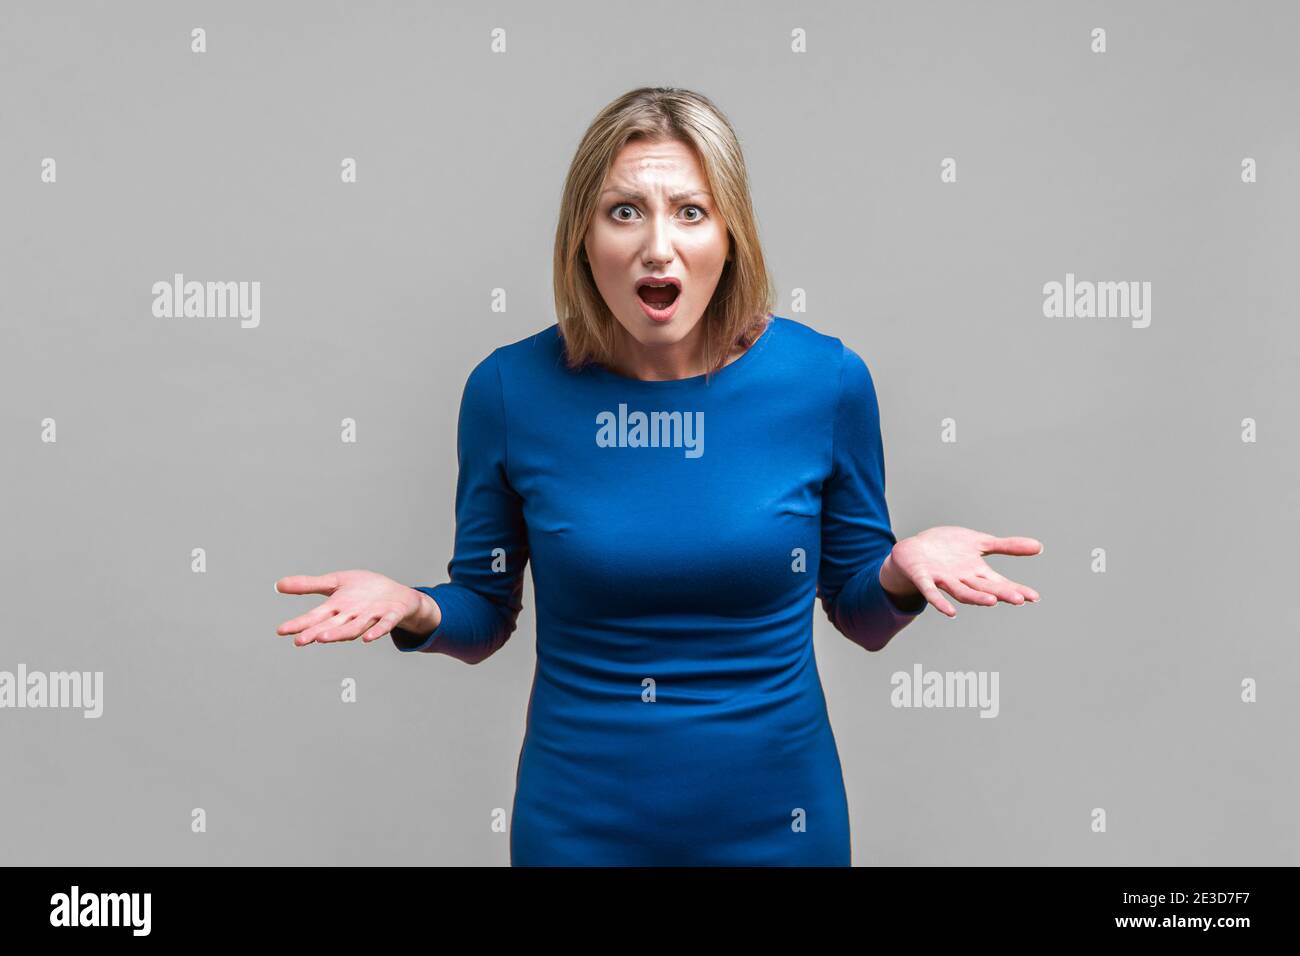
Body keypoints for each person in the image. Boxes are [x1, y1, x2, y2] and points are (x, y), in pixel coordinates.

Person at [274, 87, 1042, 866]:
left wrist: (902, 575)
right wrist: (414, 610)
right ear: (582, 235)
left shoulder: (825, 382)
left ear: (731, 234)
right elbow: (484, 610)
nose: (657, 247)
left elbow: (860, 613)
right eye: (624, 211)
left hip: (781, 827)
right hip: (579, 830)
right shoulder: (509, 392)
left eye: (690, 211)